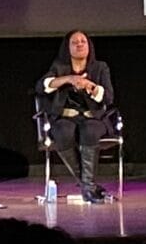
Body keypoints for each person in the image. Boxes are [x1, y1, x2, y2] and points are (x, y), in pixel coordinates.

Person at [37, 29, 116, 202]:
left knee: (90, 131)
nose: (79, 44)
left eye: (83, 41)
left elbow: (109, 97)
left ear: (89, 46)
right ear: (68, 47)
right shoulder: (59, 67)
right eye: (75, 42)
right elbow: (42, 87)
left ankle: (87, 186)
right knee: (64, 131)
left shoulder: (100, 67)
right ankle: (89, 187)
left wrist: (90, 86)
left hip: (92, 117)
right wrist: (69, 79)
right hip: (65, 117)